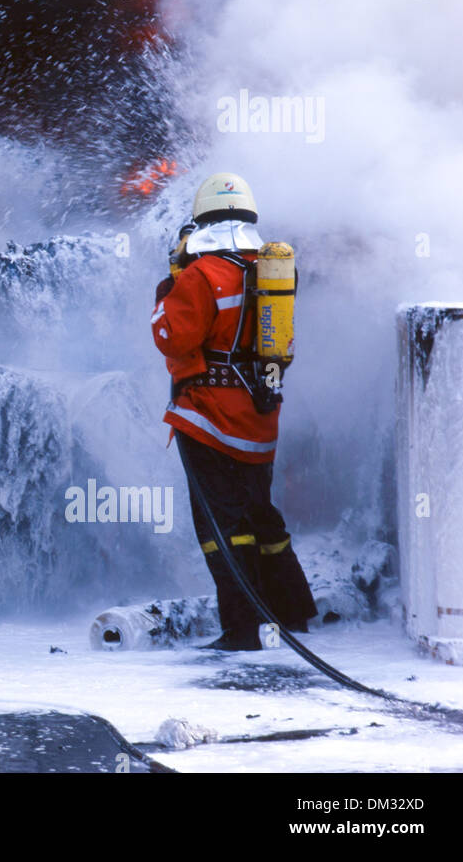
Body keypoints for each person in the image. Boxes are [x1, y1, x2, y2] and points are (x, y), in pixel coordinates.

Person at [152, 174, 317, 650]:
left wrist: (170, 284)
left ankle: (242, 628)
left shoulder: (202, 276)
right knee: (260, 513)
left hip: (208, 416)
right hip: (260, 413)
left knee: (220, 525)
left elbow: (170, 337)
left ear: (201, 221)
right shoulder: (269, 270)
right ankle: (292, 611)